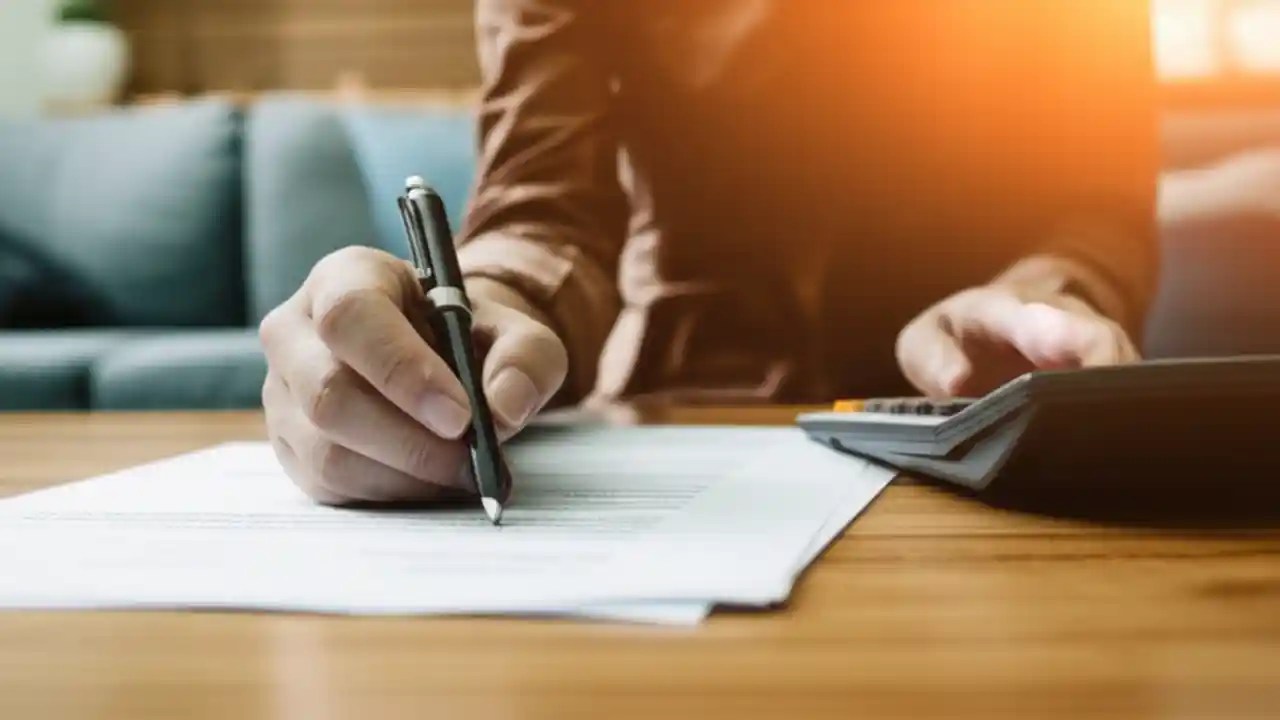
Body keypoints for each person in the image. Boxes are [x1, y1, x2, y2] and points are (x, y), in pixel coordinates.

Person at [259, 1, 1157, 504]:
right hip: (684, 422)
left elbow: (1100, 201)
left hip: (986, 441)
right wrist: (482, 310)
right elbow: (542, 210)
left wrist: (1045, 297)